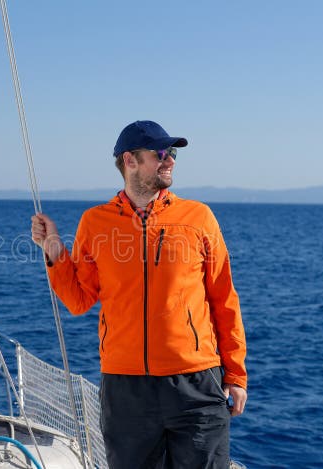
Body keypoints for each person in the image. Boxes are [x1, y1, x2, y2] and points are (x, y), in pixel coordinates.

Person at [31, 120, 247, 469]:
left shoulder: (198, 217)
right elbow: (79, 299)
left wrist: (235, 375)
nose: (171, 160)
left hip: (195, 383)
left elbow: (224, 299)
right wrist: (54, 250)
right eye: (161, 153)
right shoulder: (95, 223)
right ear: (129, 161)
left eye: (173, 153)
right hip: (126, 387)